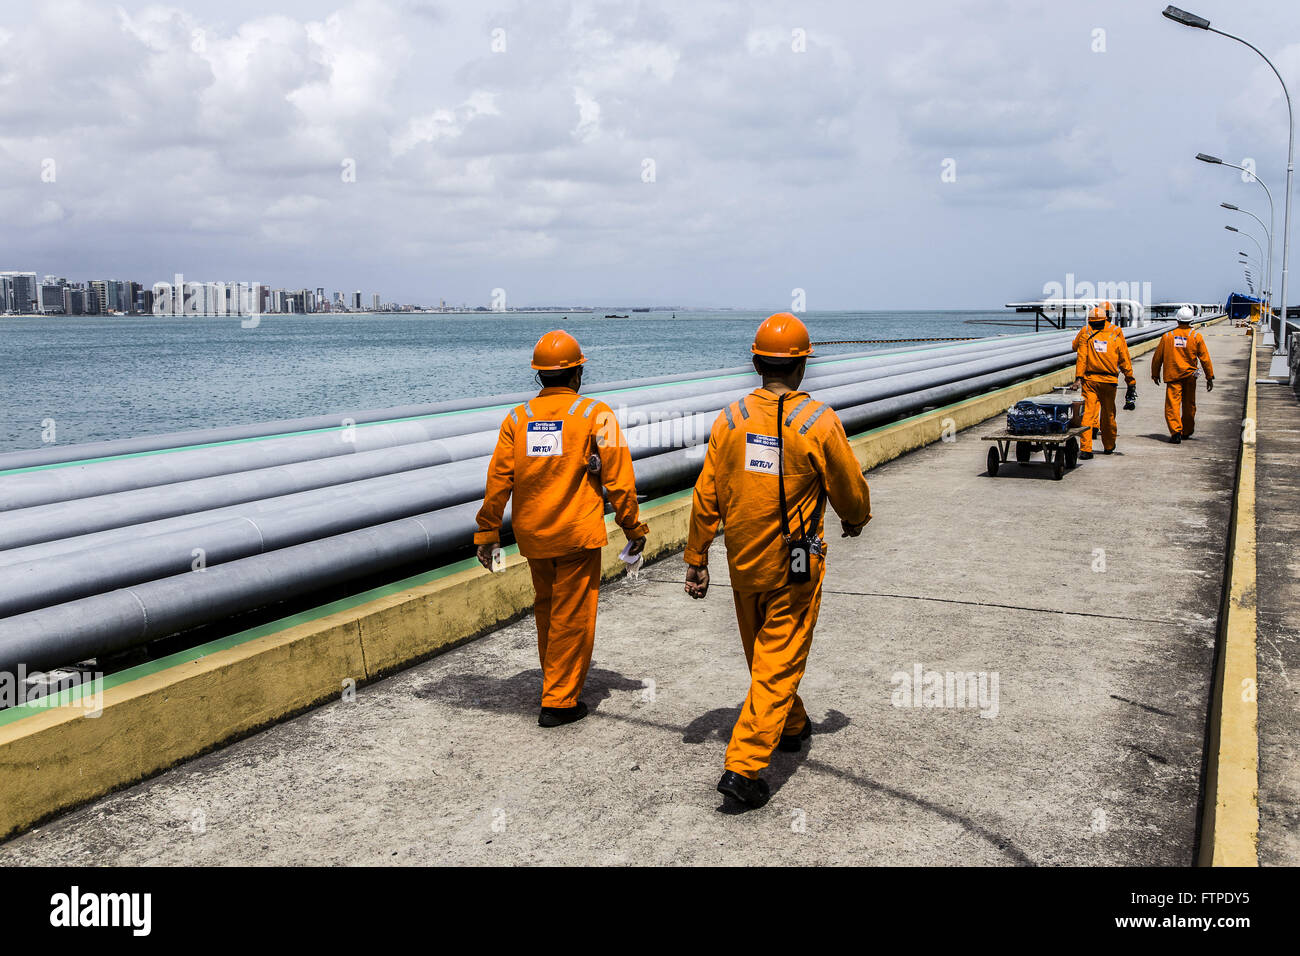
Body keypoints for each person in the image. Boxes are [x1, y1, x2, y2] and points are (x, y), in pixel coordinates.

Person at [683, 313, 871, 808]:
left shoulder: (730, 420)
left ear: (755, 363)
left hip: (743, 564)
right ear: (803, 366)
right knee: (777, 660)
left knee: (764, 658)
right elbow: (849, 488)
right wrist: (855, 518)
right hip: (795, 569)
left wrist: (697, 555)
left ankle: (792, 723)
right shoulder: (817, 421)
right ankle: (744, 768)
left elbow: (707, 494)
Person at [475, 330, 648, 727]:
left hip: (533, 537)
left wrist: (486, 533)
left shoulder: (517, 419)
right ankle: (559, 701)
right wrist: (633, 526)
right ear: (577, 373)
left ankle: (555, 680)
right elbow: (619, 480)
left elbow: (498, 481)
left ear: (540, 376)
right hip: (576, 534)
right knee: (572, 615)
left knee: (547, 611)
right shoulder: (596, 414)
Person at [1071, 302, 1136, 459]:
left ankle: (1086, 449)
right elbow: (1124, 359)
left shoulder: (1086, 332)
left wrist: (1078, 378)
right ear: (1108, 317)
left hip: (1090, 380)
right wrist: (1130, 381)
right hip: (1109, 381)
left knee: (1087, 414)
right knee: (1108, 414)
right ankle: (1109, 445)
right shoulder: (1115, 334)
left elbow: (1080, 354)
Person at [1151, 306, 1214, 444]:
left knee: (1172, 405)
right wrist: (1209, 376)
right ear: (1191, 320)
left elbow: (1157, 357)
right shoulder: (1196, 336)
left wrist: (1155, 374)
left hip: (1173, 376)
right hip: (1190, 377)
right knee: (1189, 405)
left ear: (1177, 320)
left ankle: (1175, 433)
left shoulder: (1167, 337)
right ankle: (1186, 431)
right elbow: (1205, 358)